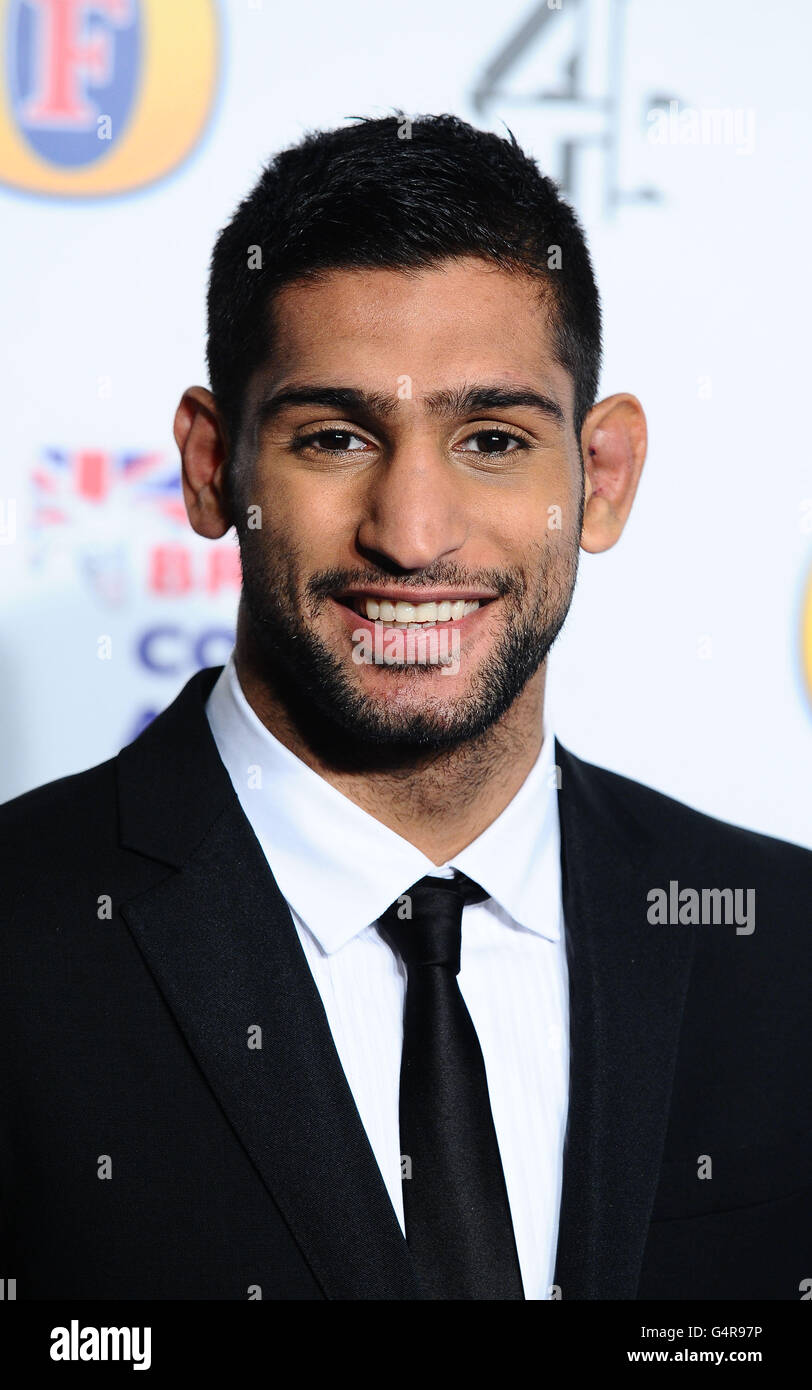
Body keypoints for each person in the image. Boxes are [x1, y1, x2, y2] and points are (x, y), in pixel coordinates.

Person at [1, 113, 809, 1301]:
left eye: (491, 438)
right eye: (334, 436)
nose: (413, 531)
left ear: (603, 476)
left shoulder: (782, 944)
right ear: (213, 466)